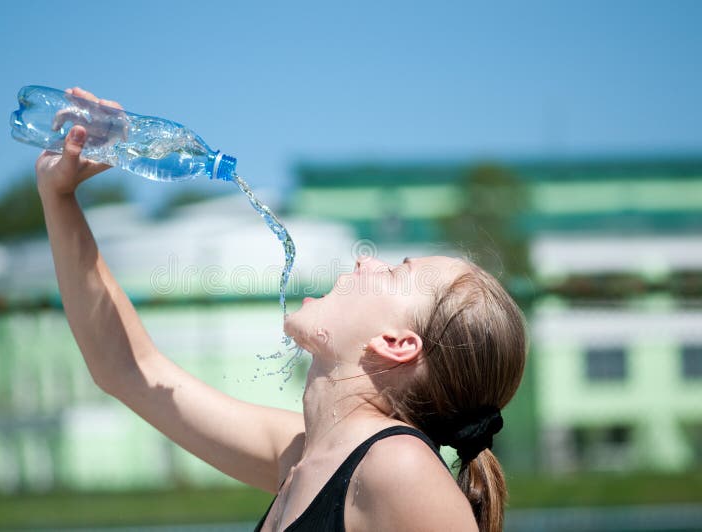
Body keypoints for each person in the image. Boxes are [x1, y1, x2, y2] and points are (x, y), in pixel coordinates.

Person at [35, 87, 527, 532]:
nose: (364, 259)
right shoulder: (308, 455)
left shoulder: (399, 470)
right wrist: (59, 197)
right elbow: (128, 369)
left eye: (395, 272)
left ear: (398, 344)